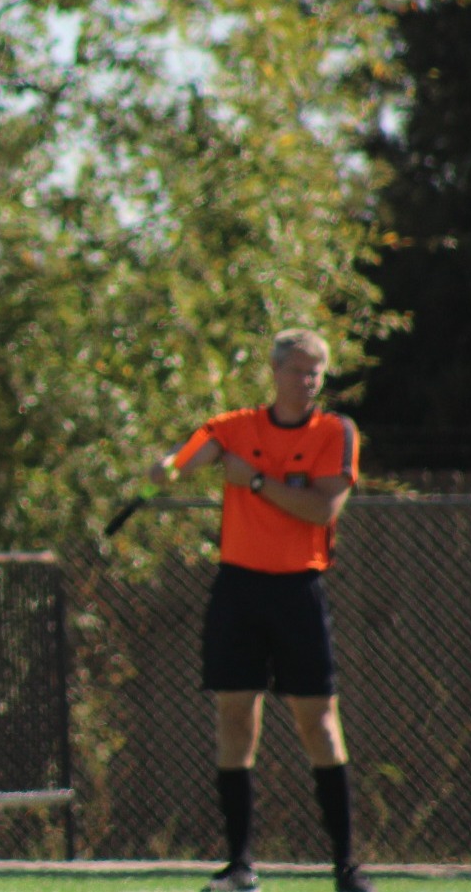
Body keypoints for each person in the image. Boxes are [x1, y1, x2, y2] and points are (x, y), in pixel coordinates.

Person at [147, 330, 369, 892]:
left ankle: (347, 866)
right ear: (275, 372)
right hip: (238, 590)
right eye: (299, 369)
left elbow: (320, 509)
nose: (309, 380)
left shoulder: (335, 432)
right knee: (234, 720)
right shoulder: (234, 427)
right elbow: (186, 458)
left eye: (317, 370)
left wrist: (256, 481)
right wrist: (167, 467)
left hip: (299, 592)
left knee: (319, 724)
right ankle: (240, 865)